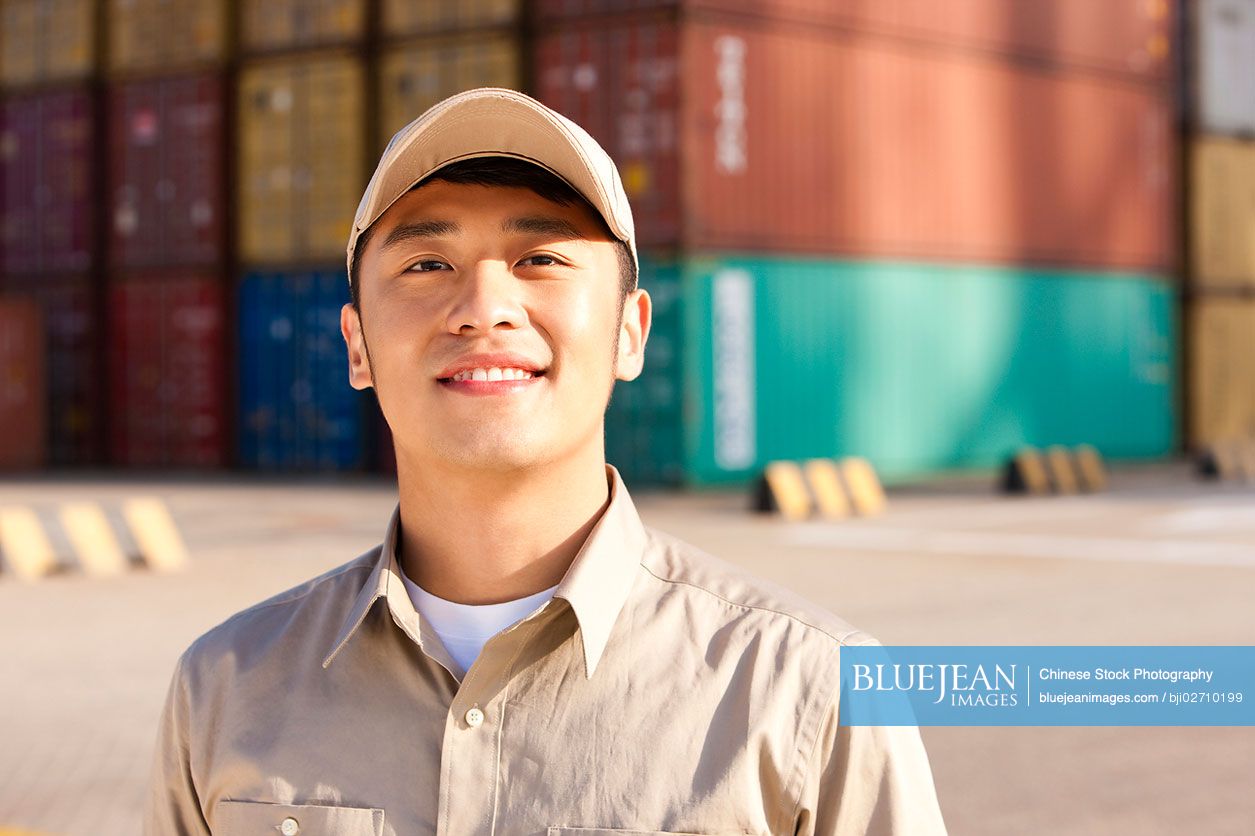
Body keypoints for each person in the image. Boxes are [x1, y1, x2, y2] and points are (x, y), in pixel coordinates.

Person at [143, 87, 947, 835]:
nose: (484, 308)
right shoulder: (225, 686)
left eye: (542, 259)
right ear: (356, 344)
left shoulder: (810, 691)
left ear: (630, 332)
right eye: (427, 265)